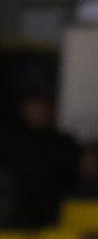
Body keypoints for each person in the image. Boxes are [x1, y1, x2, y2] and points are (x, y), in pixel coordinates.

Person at [5, 90, 80, 229]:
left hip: (53, 210)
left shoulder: (65, 143)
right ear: (24, 109)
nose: (41, 111)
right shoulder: (11, 142)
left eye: (45, 105)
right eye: (35, 106)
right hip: (16, 212)